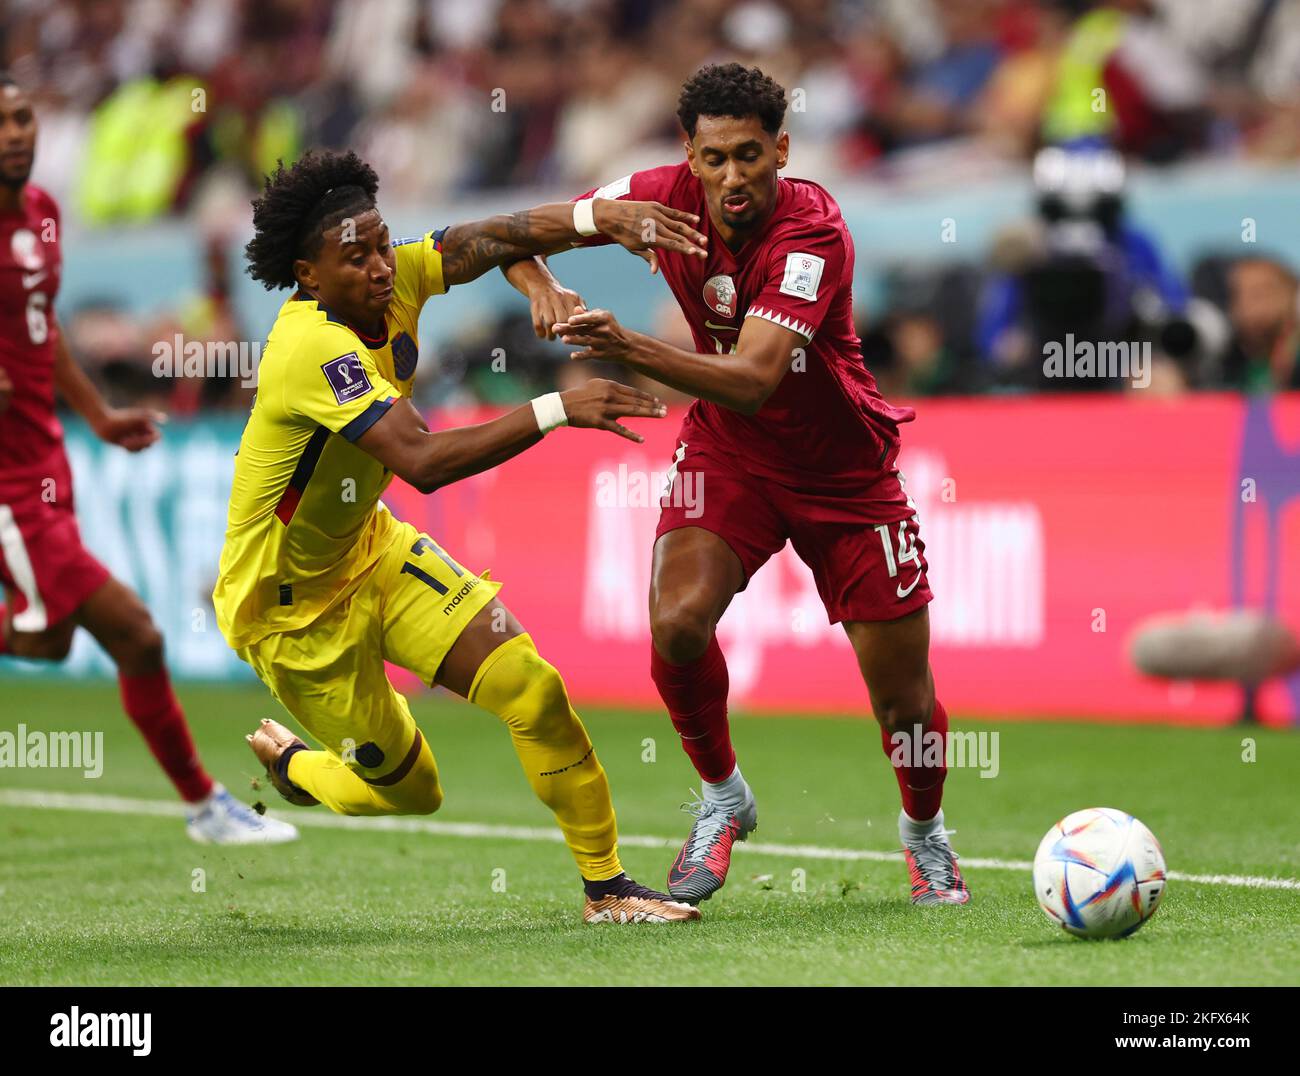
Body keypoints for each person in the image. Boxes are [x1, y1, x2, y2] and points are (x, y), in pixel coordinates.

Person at [507, 63, 970, 906]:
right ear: (688, 152)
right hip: (732, 454)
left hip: (845, 472)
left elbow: (756, 375)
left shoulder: (812, 229)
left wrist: (630, 347)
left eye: (750, 156)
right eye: (713, 158)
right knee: (677, 622)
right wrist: (539, 281)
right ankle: (724, 797)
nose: (731, 179)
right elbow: (514, 232)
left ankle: (925, 835)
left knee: (904, 702)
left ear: (782, 149)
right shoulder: (653, 194)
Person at [221, 148, 711, 923]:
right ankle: (301, 770)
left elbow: (496, 235)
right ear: (308, 274)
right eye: (357, 258)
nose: (382, 267)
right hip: (289, 612)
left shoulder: (399, 274)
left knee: (534, 690)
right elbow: (422, 461)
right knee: (416, 793)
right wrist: (556, 407)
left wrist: (585, 231)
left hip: (369, 552)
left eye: (383, 244)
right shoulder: (308, 349)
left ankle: (608, 890)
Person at [0, 75, 295, 844]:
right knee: (135, 632)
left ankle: (204, 807)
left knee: (50, 639)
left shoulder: (42, 216)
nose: (14, 135)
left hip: (47, 458)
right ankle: (205, 807)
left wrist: (95, 414)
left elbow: (42, 331)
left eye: (23, 118)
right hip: (6, 484)